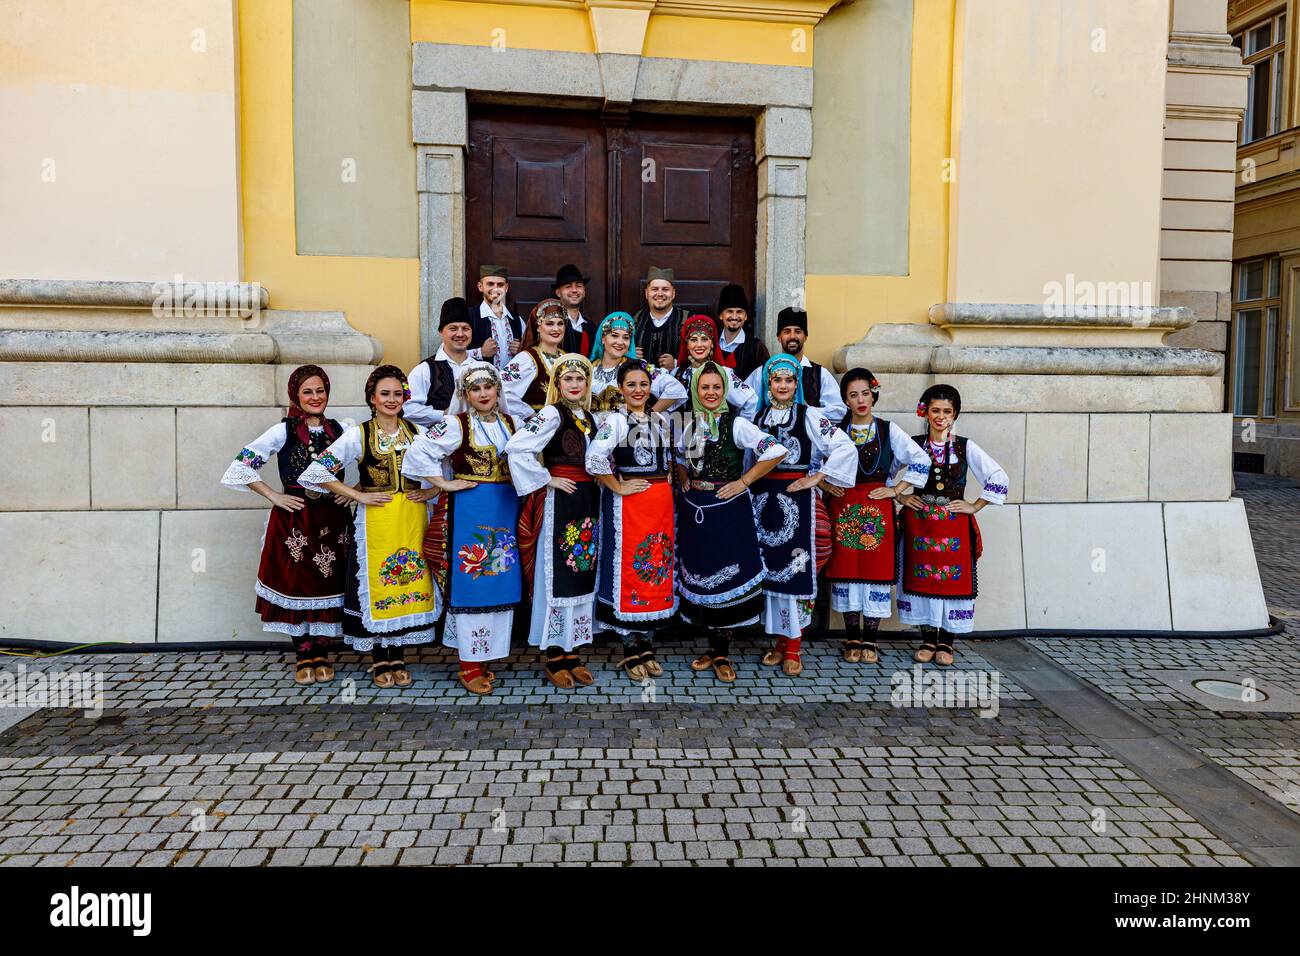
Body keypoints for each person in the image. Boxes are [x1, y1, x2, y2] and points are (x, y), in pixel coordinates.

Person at [299, 366, 440, 689]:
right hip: (376, 520)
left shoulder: (417, 431)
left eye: (397, 394)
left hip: (412, 516)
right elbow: (317, 472)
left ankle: (398, 655)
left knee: (408, 580)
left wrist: (431, 491)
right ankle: (379, 658)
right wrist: (357, 494)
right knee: (380, 582)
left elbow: (443, 469)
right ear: (372, 399)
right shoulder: (359, 434)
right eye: (385, 394)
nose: (392, 400)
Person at [220, 365, 351, 685]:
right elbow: (242, 466)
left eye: (320, 390)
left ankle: (322, 651)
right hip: (296, 518)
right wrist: (274, 496)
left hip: (333, 519)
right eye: (308, 391)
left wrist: (355, 492)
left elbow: (367, 458)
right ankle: (304, 652)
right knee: (298, 583)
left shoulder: (342, 429)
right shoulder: (284, 431)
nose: (315, 397)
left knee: (328, 583)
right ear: (296, 395)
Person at [402, 363, 524, 695]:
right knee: (473, 581)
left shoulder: (512, 423)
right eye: (475, 389)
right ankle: (468, 663)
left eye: (488, 387)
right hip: (470, 510)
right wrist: (444, 484)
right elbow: (418, 451)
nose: (483, 394)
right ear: (465, 395)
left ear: (498, 390)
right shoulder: (455, 424)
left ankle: (486, 656)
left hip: (505, 507)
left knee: (499, 579)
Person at [675, 362, 787, 683]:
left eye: (716, 387)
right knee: (705, 574)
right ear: (696, 392)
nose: (711, 393)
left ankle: (722, 651)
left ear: (725, 391)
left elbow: (775, 450)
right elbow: (681, 458)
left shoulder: (737, 425)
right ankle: (712, 648)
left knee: (726, 579)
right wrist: (684, 477)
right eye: (704, 388)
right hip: (698, 511)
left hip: (728, 511)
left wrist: (744, 481)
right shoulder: (691, 425)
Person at [750, 354, 856, 676]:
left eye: (789, 380)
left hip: (797, 500)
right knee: (771, 572)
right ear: (768, 385)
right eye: (777, 380)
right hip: (763, 500)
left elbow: (844, 447)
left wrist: (817, 477)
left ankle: (794, 645)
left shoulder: (809, 415)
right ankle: (781, 642)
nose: (783, 385)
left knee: (796, 571)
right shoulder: (757, 418)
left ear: (796, 384)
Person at [505, 354, 601, 688]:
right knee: (556, 571)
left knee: (581, 570)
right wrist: (547, 478)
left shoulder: (589, 417)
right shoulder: (549, 414)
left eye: (580, 379)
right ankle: (553, 655)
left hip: (587, 500)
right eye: (568, 379)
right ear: (557, 385)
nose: (575, 385)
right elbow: (517, 448)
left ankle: (573, 652)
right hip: (561, 500)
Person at [823, 368, 930, 663]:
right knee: (847, 571)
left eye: (865, 394)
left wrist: (897, 490)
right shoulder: (834, 431)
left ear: (873, 395)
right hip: (843, 506)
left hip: (877, 507)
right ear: (845, 400)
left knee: (873, 572)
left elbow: (921, 459)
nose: (860, 400)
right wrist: (825, 484)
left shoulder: (887, 429)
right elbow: (813, 461)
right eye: (853, 395)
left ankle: (870, 639)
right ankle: (851, 637)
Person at [898, 384, 1009, 666]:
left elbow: (997, 475)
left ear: (955, 414)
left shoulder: (965, 446)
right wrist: (902, 496)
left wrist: (974, 506)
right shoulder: (913, 444)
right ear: (925, 411)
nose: (941, 417)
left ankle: (946, 641)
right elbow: (886, 473)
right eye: (935, 410)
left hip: (953, 527)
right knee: (921, 577)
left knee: (951, 580)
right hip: (920, 526)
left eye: (947, 411)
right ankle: (927, 638)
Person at [585, 359, 677, 681]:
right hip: (629, 509)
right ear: (621, 389)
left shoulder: (663, 421)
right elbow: (594, 457)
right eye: (631, 385)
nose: (638, 390)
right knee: (630, 571)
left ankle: (647, 643)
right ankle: (628, 647)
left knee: (656, 566)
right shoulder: (615, 421)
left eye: (643, 384)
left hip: (660, 509)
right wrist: (618, 486)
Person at [743, 307, 847, 420]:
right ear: (779, 337)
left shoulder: (820, 373)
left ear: (805, 336)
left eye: (798, 331)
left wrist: (807, 410)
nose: (792, 336)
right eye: (787, 331)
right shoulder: (762, 372)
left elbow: (839, 412)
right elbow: (745, 408)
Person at [587, 311, 685, 421]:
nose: (620, 342)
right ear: (603, 338)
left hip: (628, 434)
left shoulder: (638, 368)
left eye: (626, 337)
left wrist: (648, 416)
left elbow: (675, 389)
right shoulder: (588, 369)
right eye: (614, 336)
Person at [669, 313, 757, 418]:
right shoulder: (677, 373)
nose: (699, 345)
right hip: (685, 432)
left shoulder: (723, 373)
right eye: (693, 340)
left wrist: (737, 428)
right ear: (687, 345)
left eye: (705, 339)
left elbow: (750, 399)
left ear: (712, 343)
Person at [404, 297, 475, 427]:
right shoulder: (424, 369)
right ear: (441, 332)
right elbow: (407, 408)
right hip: (438, 444)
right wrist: (442, 414)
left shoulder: (480, 368)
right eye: (453, 328)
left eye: (465, 328)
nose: (460, 334)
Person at [501, 298, 569, 419]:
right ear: (538, 327)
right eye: (549, 324)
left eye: (560, 323)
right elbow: (501, 389)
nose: (556, 329)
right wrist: (530, 414)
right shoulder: (527, 359)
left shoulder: (566, 358)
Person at [632, 266, 690, 371]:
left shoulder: (687, 320)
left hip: (677, 384)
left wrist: (676, 363)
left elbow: (700, 353)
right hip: (640, 384)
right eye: (654, 289)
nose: (660, 294)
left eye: (665, 289)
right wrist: (630, 355)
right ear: (646, 293)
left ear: (673, 293)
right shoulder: (636, 319)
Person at [469, 264, 523, 371]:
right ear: (480, 287)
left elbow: (532, 353)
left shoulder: (516, 319)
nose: (495, 289)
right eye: (490, 284)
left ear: (506, 288)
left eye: (500, 284)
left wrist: (521, 350)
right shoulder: (469, 316)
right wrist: (481, 352)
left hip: (512, 386)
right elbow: (450, 352)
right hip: (481, 385)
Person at [714, 283, 769, 381]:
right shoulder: (711, 343)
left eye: (739, 312)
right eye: (729, 311)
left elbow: (764, 382)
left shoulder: (756, 348)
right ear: (721, 315)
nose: (734, 317)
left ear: (746, 316)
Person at [553, 263, 594, 356]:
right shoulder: (549, 325)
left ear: (584, 290)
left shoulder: (591, 327)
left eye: (579, 286)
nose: (574, 290)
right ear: (558, 292)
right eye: (568, 286)